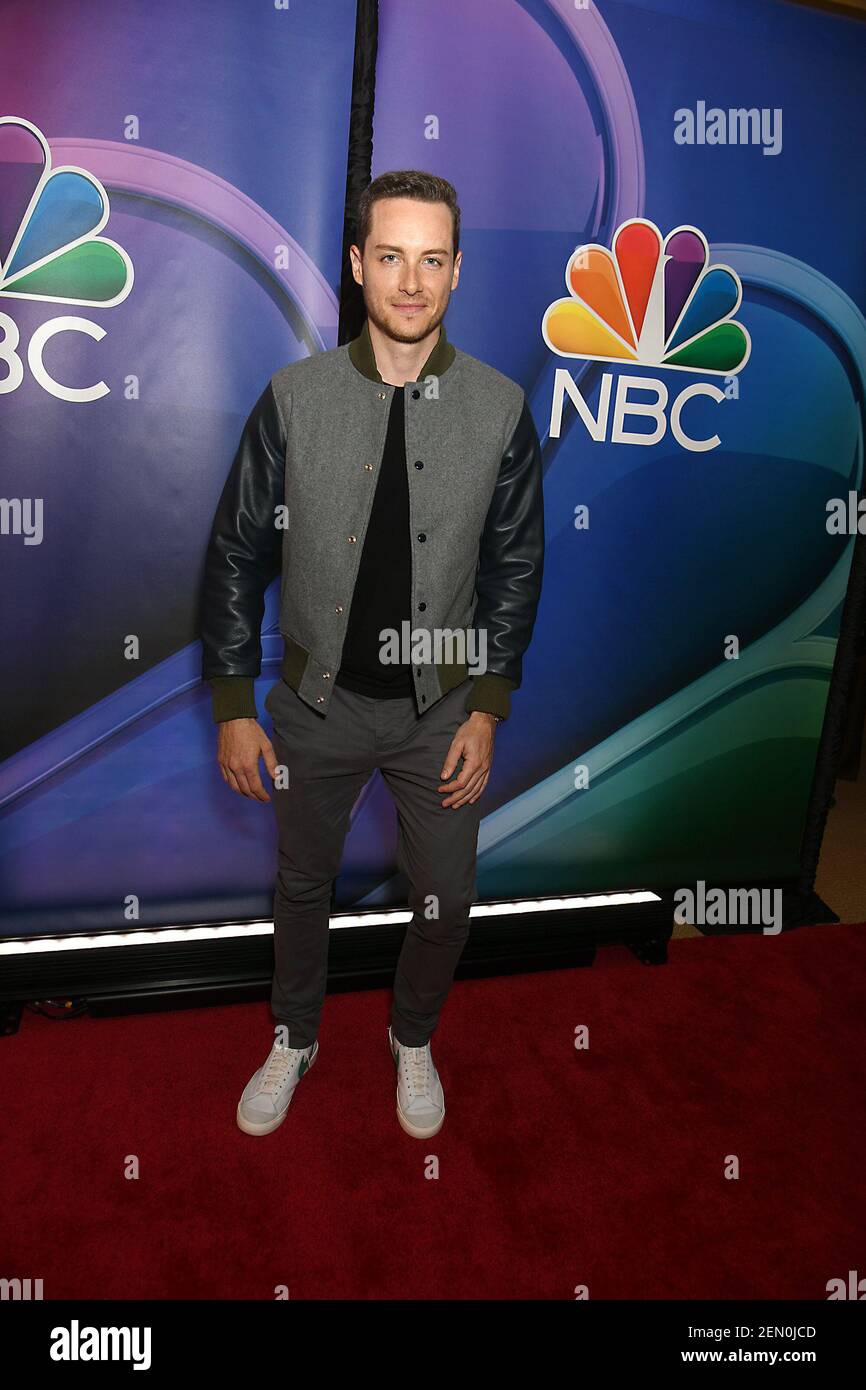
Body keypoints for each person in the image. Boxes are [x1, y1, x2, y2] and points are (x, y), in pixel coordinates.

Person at [200, 169, 544, 1139]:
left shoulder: (500, 407)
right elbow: (234, 551)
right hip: (316, 702)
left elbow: (515, 565)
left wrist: (486, 704)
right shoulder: (293, 398)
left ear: (455, 271)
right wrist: (232, 701)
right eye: (389, 256)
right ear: (356, 266)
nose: (409, 280)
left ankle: (411, 1036)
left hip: (441, 705)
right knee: (301, 885)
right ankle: (294, 1032)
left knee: (446, 898)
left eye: (430, 259)